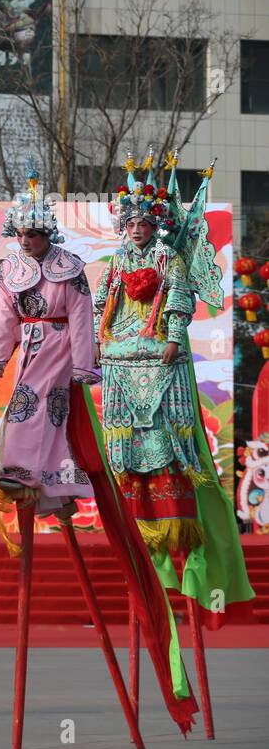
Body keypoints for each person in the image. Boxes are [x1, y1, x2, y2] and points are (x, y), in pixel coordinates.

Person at [95, 153, 254, 658]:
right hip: (123, 348)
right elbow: (105, 302)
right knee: (129, 444)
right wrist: (99, 337)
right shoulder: (118, 261)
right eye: (131, 222)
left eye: (144, 222)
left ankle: (179, 536)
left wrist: (169, 334)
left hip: (159, 348)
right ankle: (140, 520)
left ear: (154, 224)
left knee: (167, 436)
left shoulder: (171, 259)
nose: (137, 229)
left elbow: (180, 297)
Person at [0, 163, 98, 517]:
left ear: (47, 234)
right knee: (47, 412)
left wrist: (82, 363)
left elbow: (80, 316)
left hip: (59, 346)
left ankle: (19, 470)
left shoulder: (70, 268)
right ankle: (56, 489)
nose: (26, 241)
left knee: (32, 405)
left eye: (32, 234)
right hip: (30, 344)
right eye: (21, 234)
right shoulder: (9, 269)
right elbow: (2, 317)